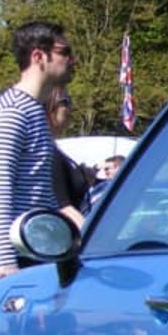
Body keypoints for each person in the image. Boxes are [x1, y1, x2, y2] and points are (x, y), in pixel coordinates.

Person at [0, 20, 76, 290]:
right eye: (64, 52)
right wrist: (6, 263)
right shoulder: (13, 112)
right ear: (38, 56)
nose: (72, 60)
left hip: (30, 250)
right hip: (5, 257)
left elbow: (41, 194)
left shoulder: (34, 111)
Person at [46, 88, 95, 229]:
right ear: (49, 106)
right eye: (65, 102)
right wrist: (92, 238)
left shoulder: (55, 151)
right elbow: (64, 208)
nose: (70, 108)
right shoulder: (49, 154)